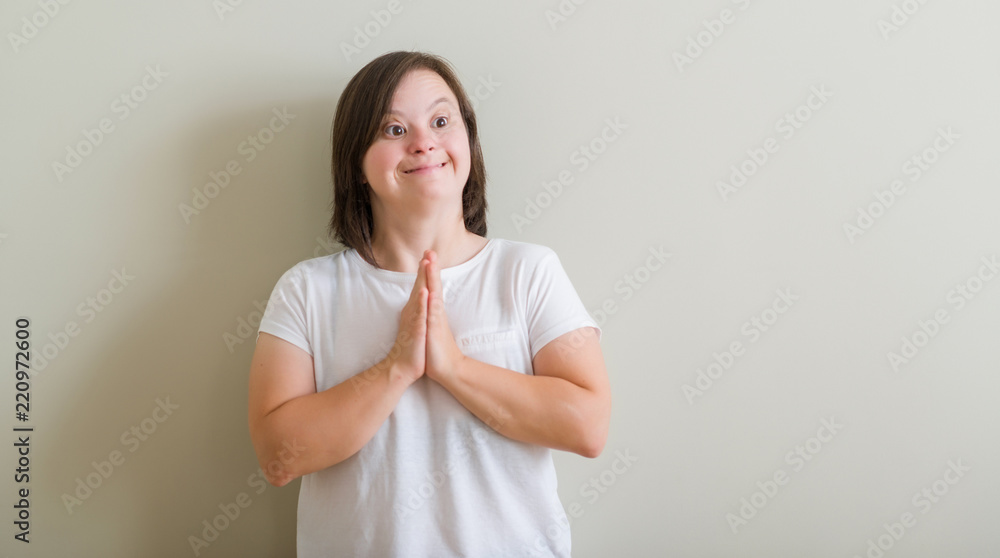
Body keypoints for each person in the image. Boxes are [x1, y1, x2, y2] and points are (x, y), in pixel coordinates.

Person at [247, 50, 611, 558]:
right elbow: (277, 456)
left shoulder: (529, 272)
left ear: (467, 142)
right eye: (393, 130)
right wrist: (396, 368)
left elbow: (588, 426)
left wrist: (454, 368)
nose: (423, 142)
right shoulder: (306, 290)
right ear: (355, 163)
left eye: (442, 121)